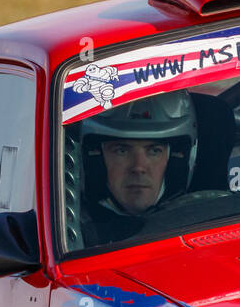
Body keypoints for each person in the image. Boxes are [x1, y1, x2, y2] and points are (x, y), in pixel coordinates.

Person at [79, 92, 197, 246]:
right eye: (121, 151)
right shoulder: (64, 233)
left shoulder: (207, 227)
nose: (138, 167)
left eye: (154, 151)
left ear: (176, 161)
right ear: (95, 161)